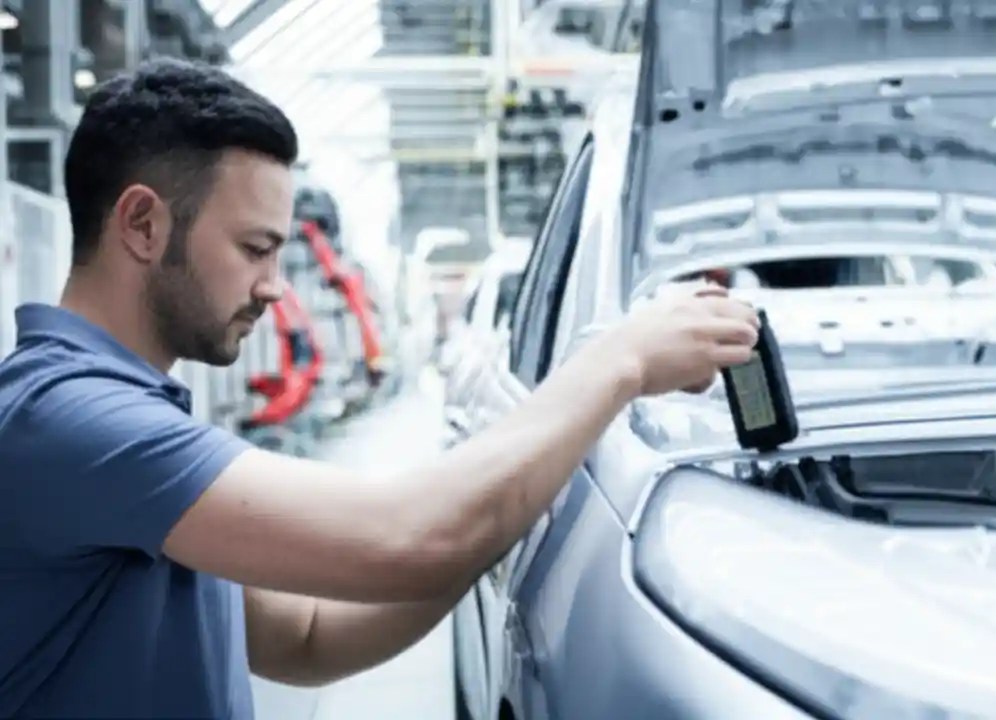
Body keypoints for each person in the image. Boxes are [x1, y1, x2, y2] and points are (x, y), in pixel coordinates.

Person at [0, 58, 759, 718]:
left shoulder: (124, 420)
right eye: (254, 249)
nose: (272, 288)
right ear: (142, 225)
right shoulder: (69, 420)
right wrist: (618, 363)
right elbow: (407, 538)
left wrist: (515, 498)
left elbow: (305, 636)